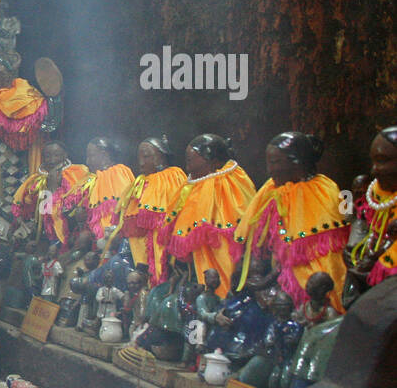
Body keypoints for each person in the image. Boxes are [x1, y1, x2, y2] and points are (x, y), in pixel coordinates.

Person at [233, 131, 347, 311]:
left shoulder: (323, 192)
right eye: (269, 162)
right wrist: (258, 280)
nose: (270, 170)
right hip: (274, 279)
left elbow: (325, 258)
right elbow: (257, 242)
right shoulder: (270, 189)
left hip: (312, 285)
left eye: (275, 162)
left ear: (298, 162)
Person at [165, 133, 255, 297]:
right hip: (199, 256)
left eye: (192, 157)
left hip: (223, 246)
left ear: (213, 162)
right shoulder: (192, 184)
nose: (188, 161)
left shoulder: (228, 181)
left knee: (225, 268)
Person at [109, 136, 189, 285]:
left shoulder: (172, 176)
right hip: (138, 250)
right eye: (139, 157)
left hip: (165, 243)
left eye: (146, 157)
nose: (141, 163)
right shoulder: (138, 183)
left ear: (162, 158)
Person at [348, 126, 397, 294]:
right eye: (373, 161)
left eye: (382, 160)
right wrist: (355, 245)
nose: (374, 169)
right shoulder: (376, 193)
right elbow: (365, 223)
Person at [10, 141, 87, 247]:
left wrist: (53, 189)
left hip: (70, 233)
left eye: (57, 155)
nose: (52, 160)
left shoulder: (76, 174)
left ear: (65, 155)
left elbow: (72, 209)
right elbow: (39, 212)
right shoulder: (36, 181)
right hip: (44, 237)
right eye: (48, 156)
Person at [61, 137, 135, 242]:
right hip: (87, 235)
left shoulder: (118, 172)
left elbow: (115, 212)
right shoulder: (89, 178)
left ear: (104, 155)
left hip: (112, 238)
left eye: (91, 156)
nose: (87, 161)